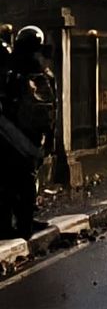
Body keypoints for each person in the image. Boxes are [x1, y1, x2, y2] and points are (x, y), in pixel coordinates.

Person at [0, 26, 56, 238]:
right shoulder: (41, 69)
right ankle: (24, 222)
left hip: (10, 133)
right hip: (31, 134)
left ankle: (11, 223)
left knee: (9, 180)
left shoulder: (10, 66)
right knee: (25, 179)